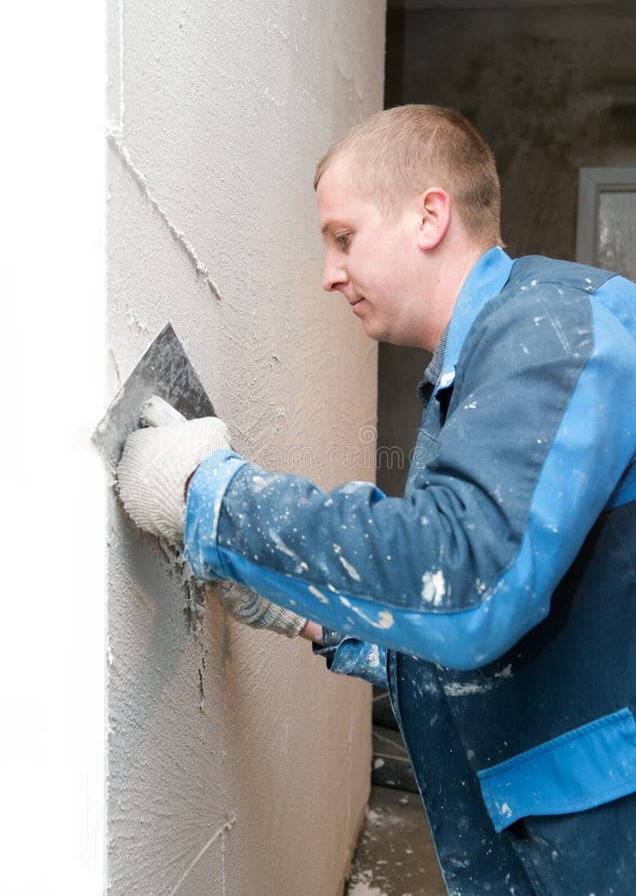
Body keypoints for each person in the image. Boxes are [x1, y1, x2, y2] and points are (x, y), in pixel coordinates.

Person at [117, 105, 636, 895]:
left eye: (343, 237)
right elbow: (491, 627)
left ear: (429, 216)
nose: (328, 273)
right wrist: (309, 618)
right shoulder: (475, 370)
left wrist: (212, 498)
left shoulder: (553, 327)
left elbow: (465, 584)